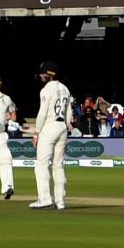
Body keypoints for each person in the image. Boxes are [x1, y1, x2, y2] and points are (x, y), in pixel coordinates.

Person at [30, 61, 72, 210]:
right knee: (58, 164)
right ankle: (60, 201)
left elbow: (42, 113)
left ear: (49, 74)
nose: (41, 75)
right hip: (62, 127)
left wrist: (36, 132)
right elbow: (68, 112)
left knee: (41, 164)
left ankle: (45, 198)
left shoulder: (46, 89)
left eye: (42, 73)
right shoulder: (65, 89)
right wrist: (65, 127)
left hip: (49, 126)